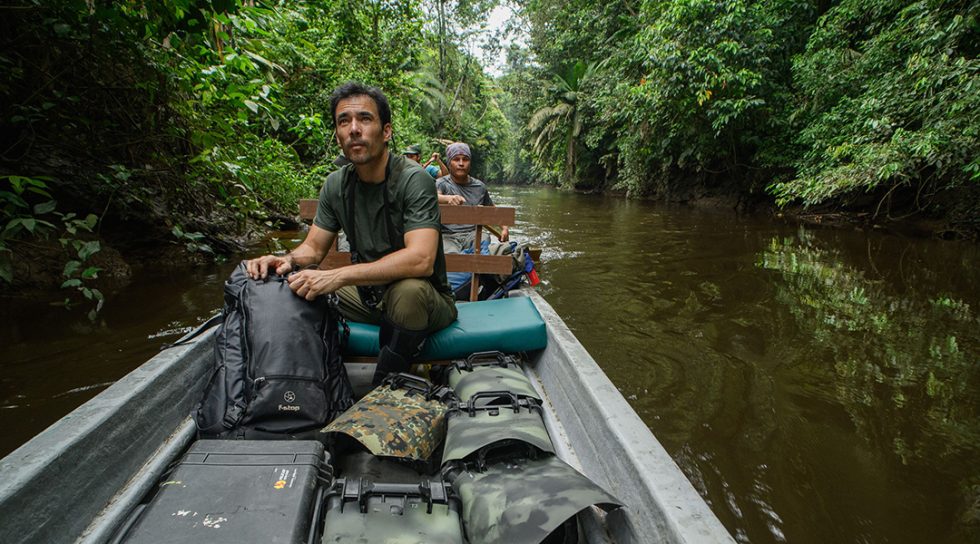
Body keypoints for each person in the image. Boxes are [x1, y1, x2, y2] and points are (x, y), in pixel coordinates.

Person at [246, 82, 457, 385]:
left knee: (407, 292)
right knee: (290, 285)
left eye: (365, 119)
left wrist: (338, 276)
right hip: (369, 298)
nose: (354, 129)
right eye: (344, 121)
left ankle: (383, 388)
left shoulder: (414, 180)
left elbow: (421, 259)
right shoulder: (336, 184)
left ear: (386, 132)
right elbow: (314, 249)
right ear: (338, 135)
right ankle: (298, 383)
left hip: (426, 300)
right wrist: (285, 260)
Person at [436, 142, 509, 253]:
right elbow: (433, 197)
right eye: (456, 159)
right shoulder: (441, 183)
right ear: (449, 163)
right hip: (447, 236)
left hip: (473, 235)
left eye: (465, 159)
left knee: (484, 238)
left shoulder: (480, 187)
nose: (461, 163)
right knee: (451, 255)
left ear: (470, 163)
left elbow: (492, 209)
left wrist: (504, 228)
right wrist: (447, 199)